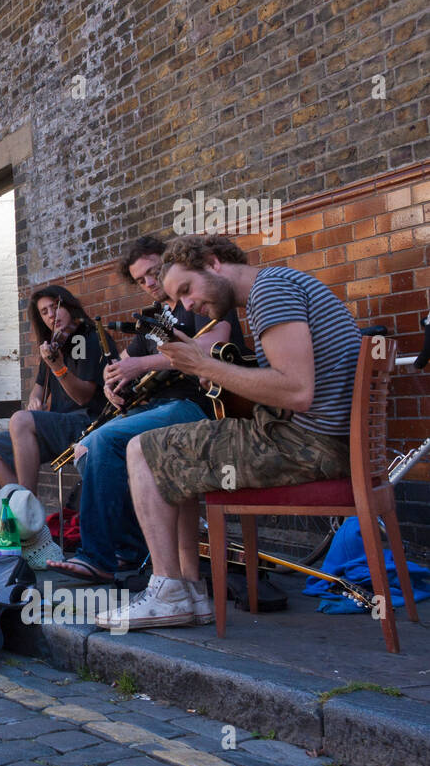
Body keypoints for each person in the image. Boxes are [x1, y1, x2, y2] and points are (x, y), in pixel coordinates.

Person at [96, 234, 361, 630]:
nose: (187, 305)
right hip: (320, 440)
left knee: (141, 449)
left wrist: (203, 367)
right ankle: (189, 592)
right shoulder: (280, 284)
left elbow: (296, 391)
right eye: (179, 299)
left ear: (213, 261)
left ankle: (169, 591)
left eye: (187, 289)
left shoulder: (269, 291)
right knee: (174, 449)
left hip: (309, 446)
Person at [47, 237, 240, 582]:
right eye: (140, 280)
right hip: (159, 408)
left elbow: (211, 345)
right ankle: (130, 551)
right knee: (86, 450)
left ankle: (97, 557)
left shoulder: (198, 298)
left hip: (196, 407)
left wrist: (140, 365)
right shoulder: (153, 319)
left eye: (154, 273)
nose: (150, 283)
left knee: (104, 442)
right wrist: (111, 381)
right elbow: (123, 364)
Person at [0, 286, 107, 490]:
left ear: (68, 306)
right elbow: (39, 387)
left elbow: (83, 397)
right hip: (59, 425)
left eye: (55, 307)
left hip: (87, 421)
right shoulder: (52, 346)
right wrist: (34, 400)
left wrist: (58, 367)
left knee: (20, 420)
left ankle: (27, 508)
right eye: (44, 312)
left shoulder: (85, 338)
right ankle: (28, 512)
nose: (51, 315)